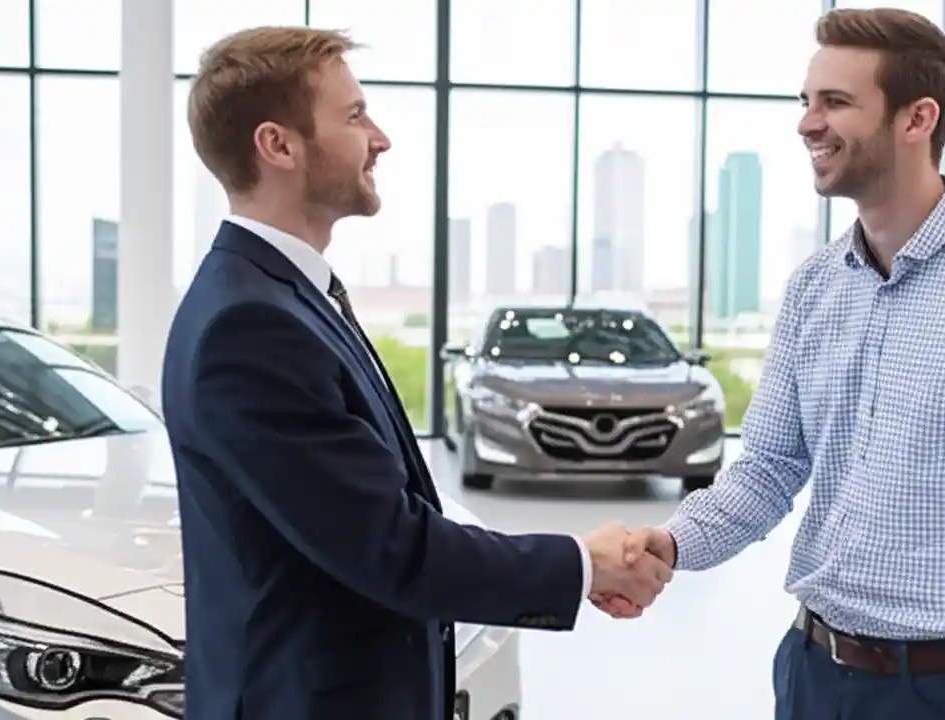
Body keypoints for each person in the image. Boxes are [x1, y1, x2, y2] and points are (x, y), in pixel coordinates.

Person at [604, 8, 945, 720]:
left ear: (917, 119)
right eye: (807, 101)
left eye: (836, 102)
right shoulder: (815, 287)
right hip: (811, 672)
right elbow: (768, 469)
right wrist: (669, 542)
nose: (807, 123)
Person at [161, 27, 671, 720]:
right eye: (353, 116)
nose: (380, 138)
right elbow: (392, 547)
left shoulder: (279, 296)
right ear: (278, 145)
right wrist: (583, 564)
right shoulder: (249, 327)